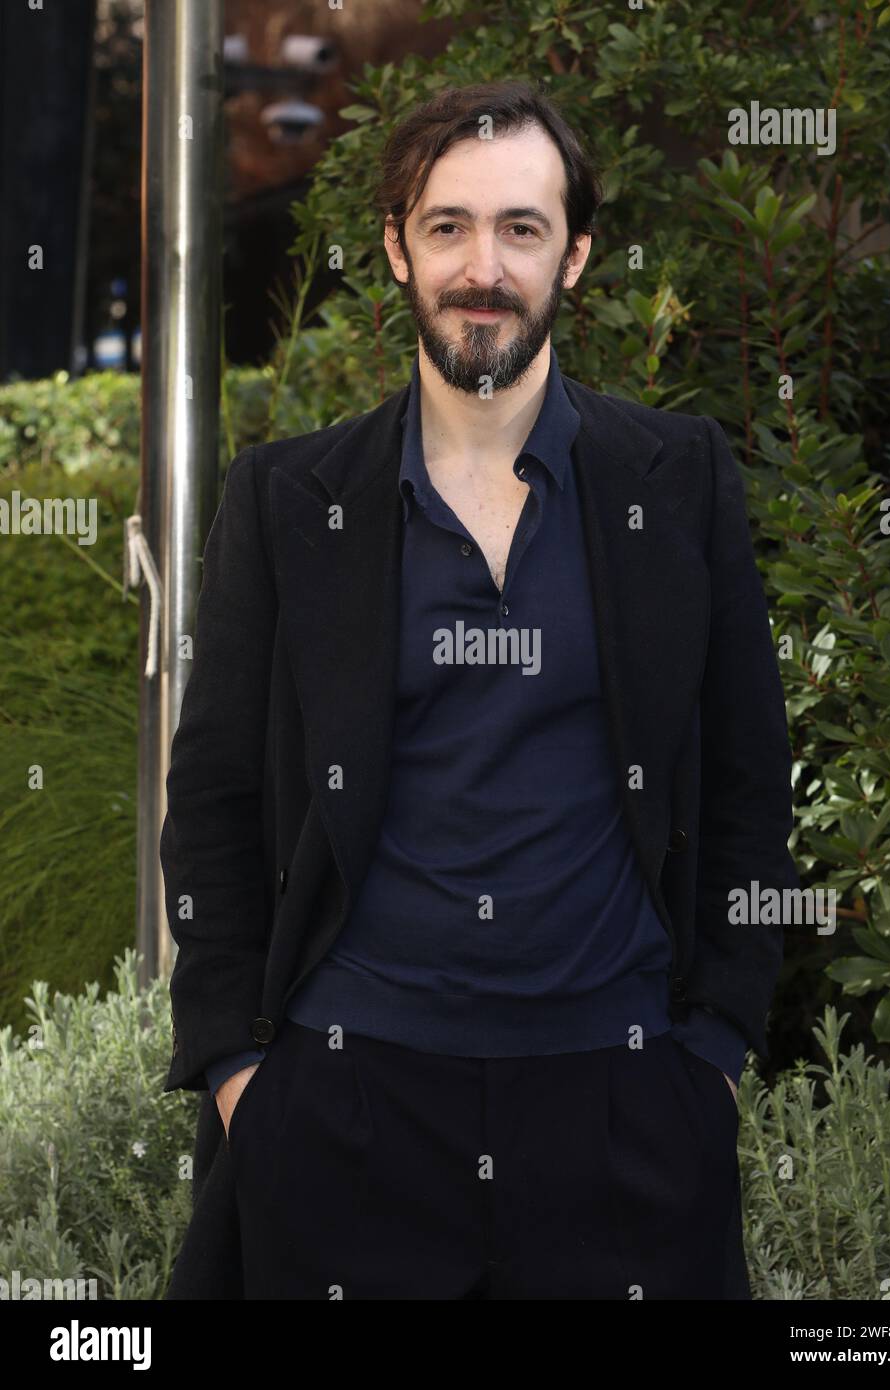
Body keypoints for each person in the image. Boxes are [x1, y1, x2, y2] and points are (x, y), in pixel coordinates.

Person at [162, 80, 799, 1300]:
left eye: (522, 228)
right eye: (449, 226)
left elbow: (746, 784)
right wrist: (245, 1081)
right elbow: (215, 802)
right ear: (397, 246)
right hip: (345, 1108)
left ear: (576, 254)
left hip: (621, 1108)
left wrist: (711, 1055)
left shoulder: (678, 481)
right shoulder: (288, 499)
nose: (483, 267)